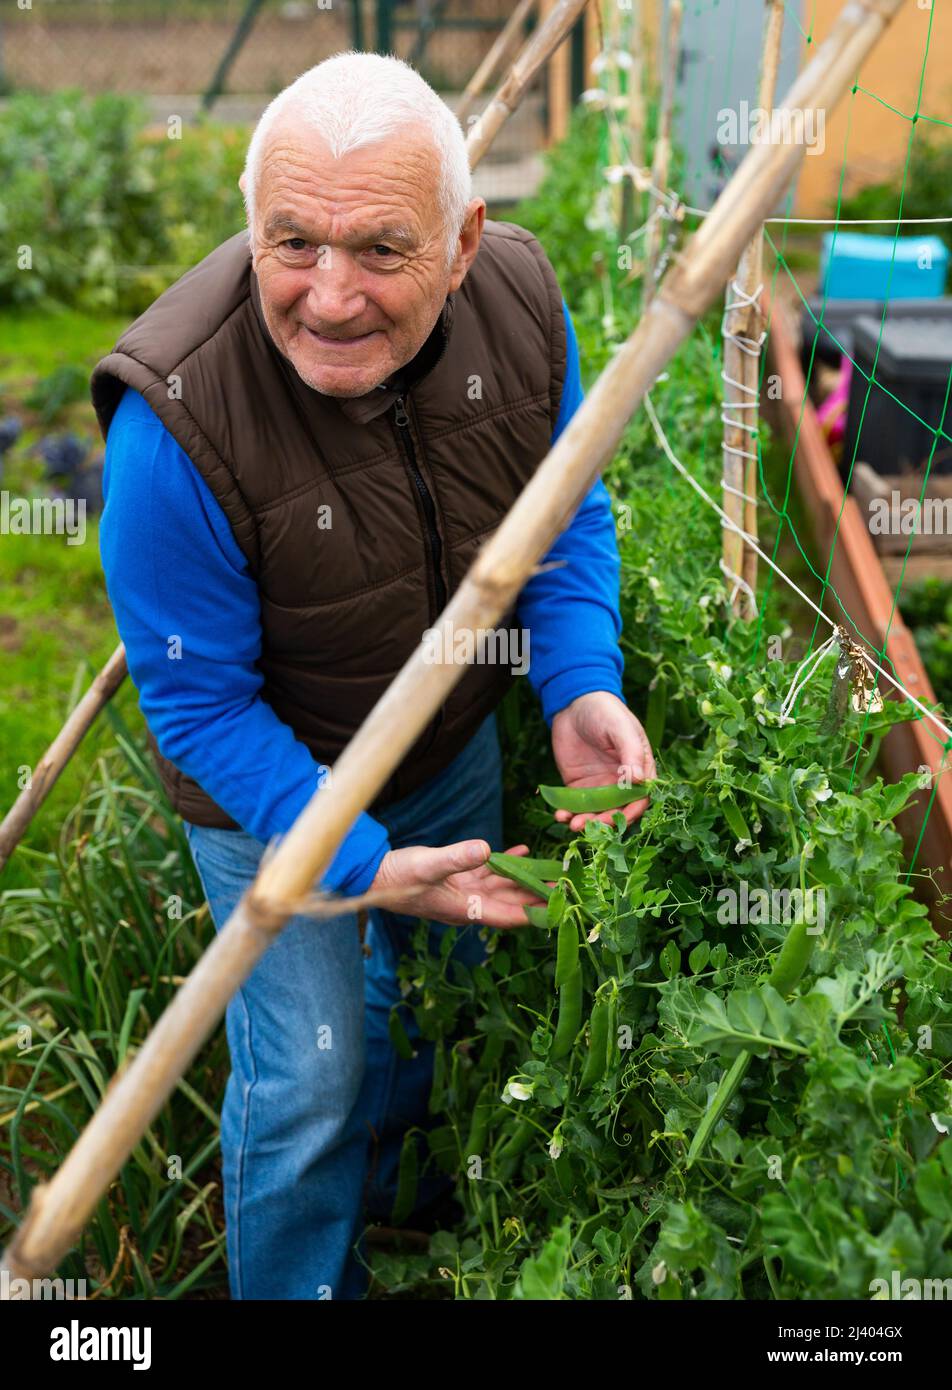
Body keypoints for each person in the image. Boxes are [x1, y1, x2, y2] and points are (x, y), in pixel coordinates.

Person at [95, 51, 656, 1300]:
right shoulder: (175, 422)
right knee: (309, 1078)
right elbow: (197, 705)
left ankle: (405, 1217)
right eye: (290, 244)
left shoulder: (516, 304)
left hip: (446, 738)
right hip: (271, 782)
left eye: (379, 251)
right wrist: (350, 860)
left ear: (463, 243)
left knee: (437, 1014)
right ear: (249, 228)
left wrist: (575, 683)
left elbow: (561, 512)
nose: (329, 296)